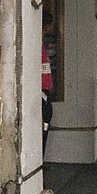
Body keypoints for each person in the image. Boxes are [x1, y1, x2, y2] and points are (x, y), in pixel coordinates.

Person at [41, 11, 56, 155]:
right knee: (43, 125)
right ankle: (39, 157)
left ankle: (40, 157)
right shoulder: (37, 46)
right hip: (41, 94)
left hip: (45, 93)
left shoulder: (40, 45)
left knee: (45, 124)